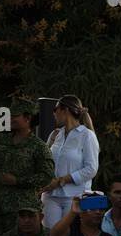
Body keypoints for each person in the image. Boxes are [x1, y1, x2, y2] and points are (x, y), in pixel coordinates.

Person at [0, 97, 53, 236]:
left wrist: (18, 181)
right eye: (10, 115)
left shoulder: (38, 146)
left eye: (15, 116)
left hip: (20, 209)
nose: (10, 119)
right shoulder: (0, 140)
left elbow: (47, 176)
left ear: (27, 118)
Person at [41, 95, 100, 229]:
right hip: (50, 195)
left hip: (74, 196)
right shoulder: (55, 134)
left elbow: (91, 169)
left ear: (65, 110)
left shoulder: (87, 135)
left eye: (55, 109)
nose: (54, 114)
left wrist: (62, 180)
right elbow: (44, 161)